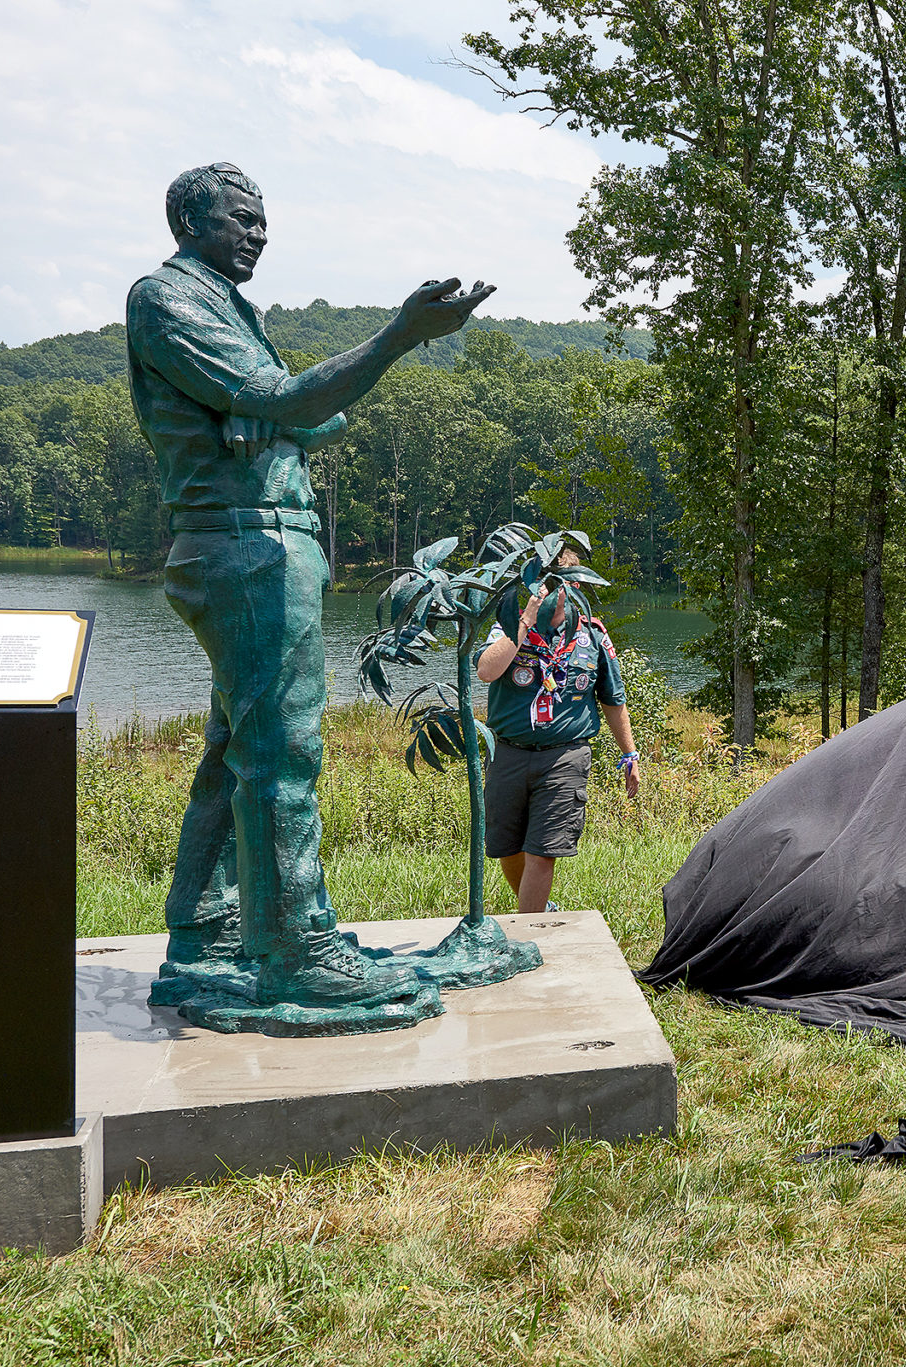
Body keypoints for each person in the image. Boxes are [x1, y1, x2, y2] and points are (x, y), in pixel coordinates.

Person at [129, 162, 494, 1018]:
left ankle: (207, 926)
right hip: (243, 541)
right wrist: (394, 338)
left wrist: (277, 407)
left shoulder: (229, 308)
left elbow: (316, 413)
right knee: (283, 751)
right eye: (241, 219)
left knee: (236, 747)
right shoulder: (166, 299)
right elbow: (290, 397)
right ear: (189, 217)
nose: (258, 233)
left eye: (264, 221)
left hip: (264, 540)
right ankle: (299, 947)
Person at [475, 549, 640, 917]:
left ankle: (529, 930)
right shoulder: (508, 625)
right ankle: (538, 909)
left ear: (575, 585)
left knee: (543, 850)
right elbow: (486, 671)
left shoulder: (592, 636)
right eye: (543, 584)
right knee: (507, 847)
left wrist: (629, 754)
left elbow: (613, 699)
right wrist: (525, 624)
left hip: (565, 756)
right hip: (509, 752)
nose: (551, 593)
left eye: (560, 585)